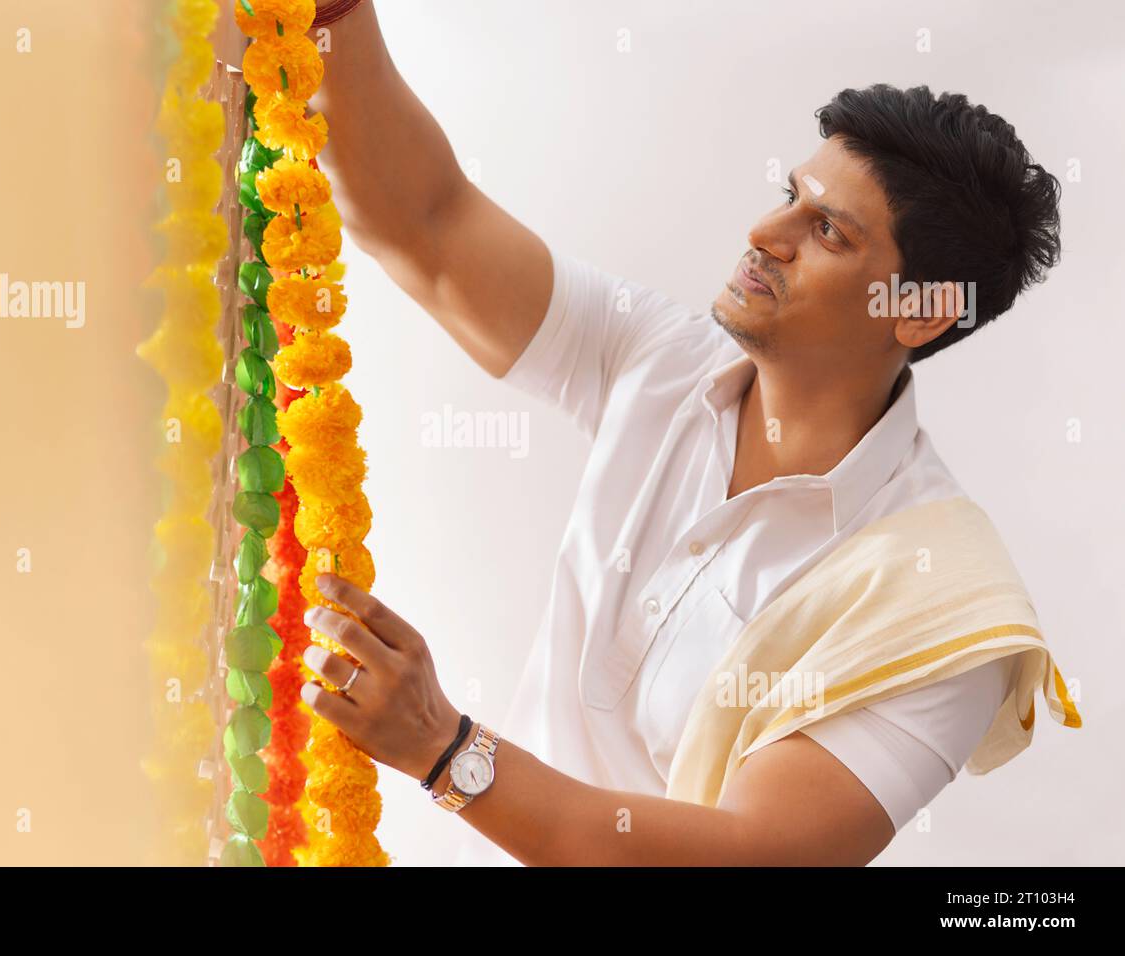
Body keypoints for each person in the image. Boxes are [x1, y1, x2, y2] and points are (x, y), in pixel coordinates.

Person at [290, 0, 1066, 865]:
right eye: (789, 197)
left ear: (919, 314)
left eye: (826, 231)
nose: (764, 235)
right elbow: (427, 229)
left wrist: (443, 747)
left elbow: (746, 854)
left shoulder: (943, 603)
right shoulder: (663, 359)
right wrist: (333, 16)